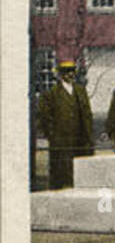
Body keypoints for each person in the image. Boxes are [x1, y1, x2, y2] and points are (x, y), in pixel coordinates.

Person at [37, 59, 94, 189]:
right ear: (61, 74)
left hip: (79, 139)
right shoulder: (52, 93)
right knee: (60, 174)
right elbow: (45, 118)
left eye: (72, 71)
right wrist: (52, 136)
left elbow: (87, 114)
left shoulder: (80, 91)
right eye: (67, 72)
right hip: (60, 141)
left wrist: (88, 135)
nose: (70, 74)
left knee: (78, 174)